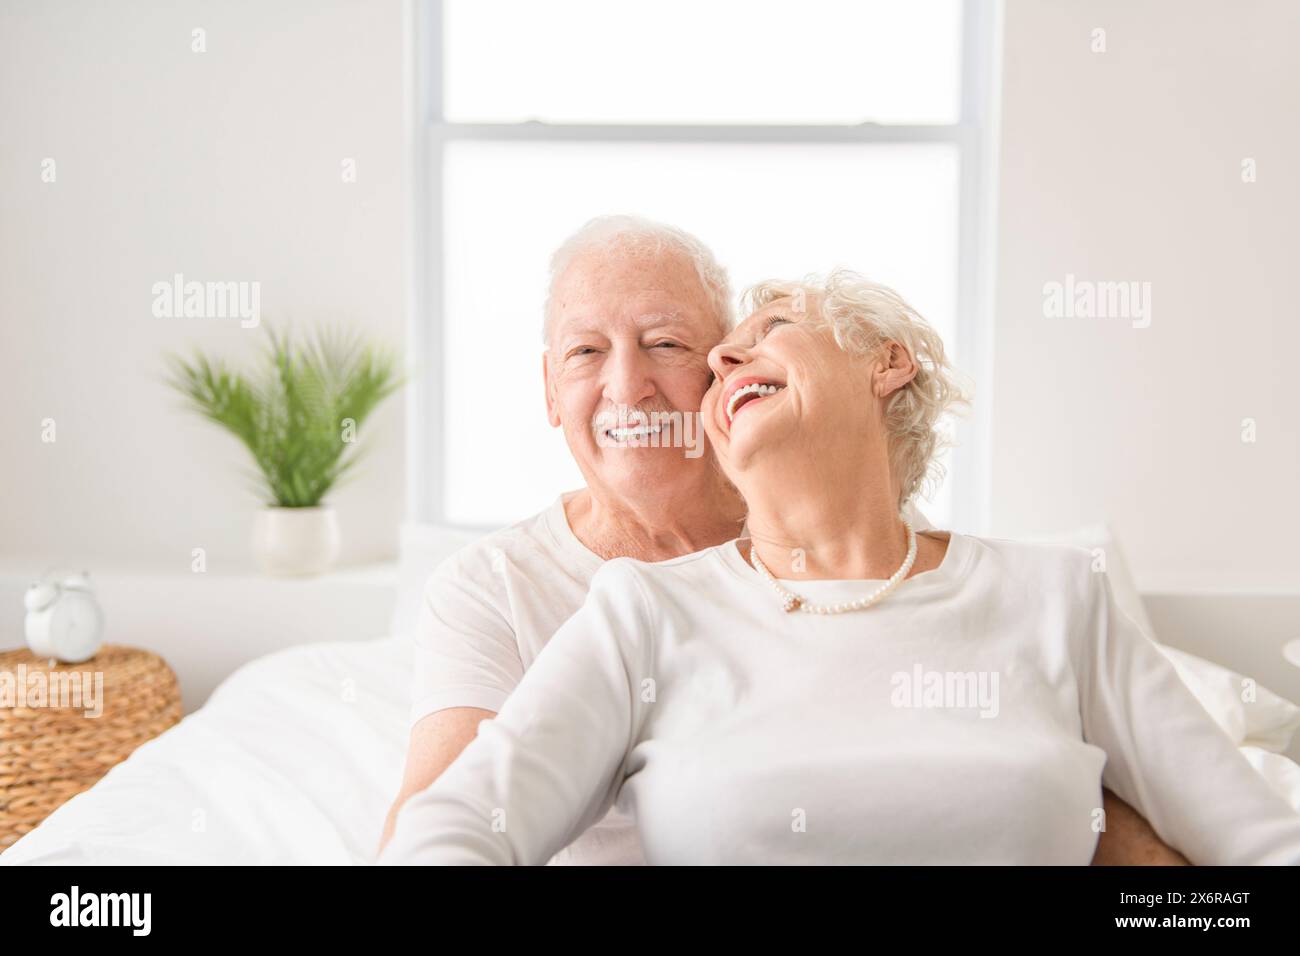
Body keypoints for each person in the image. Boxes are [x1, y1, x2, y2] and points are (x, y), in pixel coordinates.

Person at [377, 266, 1257, 864]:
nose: (725, 358)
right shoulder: (645, 611)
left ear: (888, 363)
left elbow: (1259, 848)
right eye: (722, 357)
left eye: (772, 330)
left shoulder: (1057, 598)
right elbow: (452, 829)